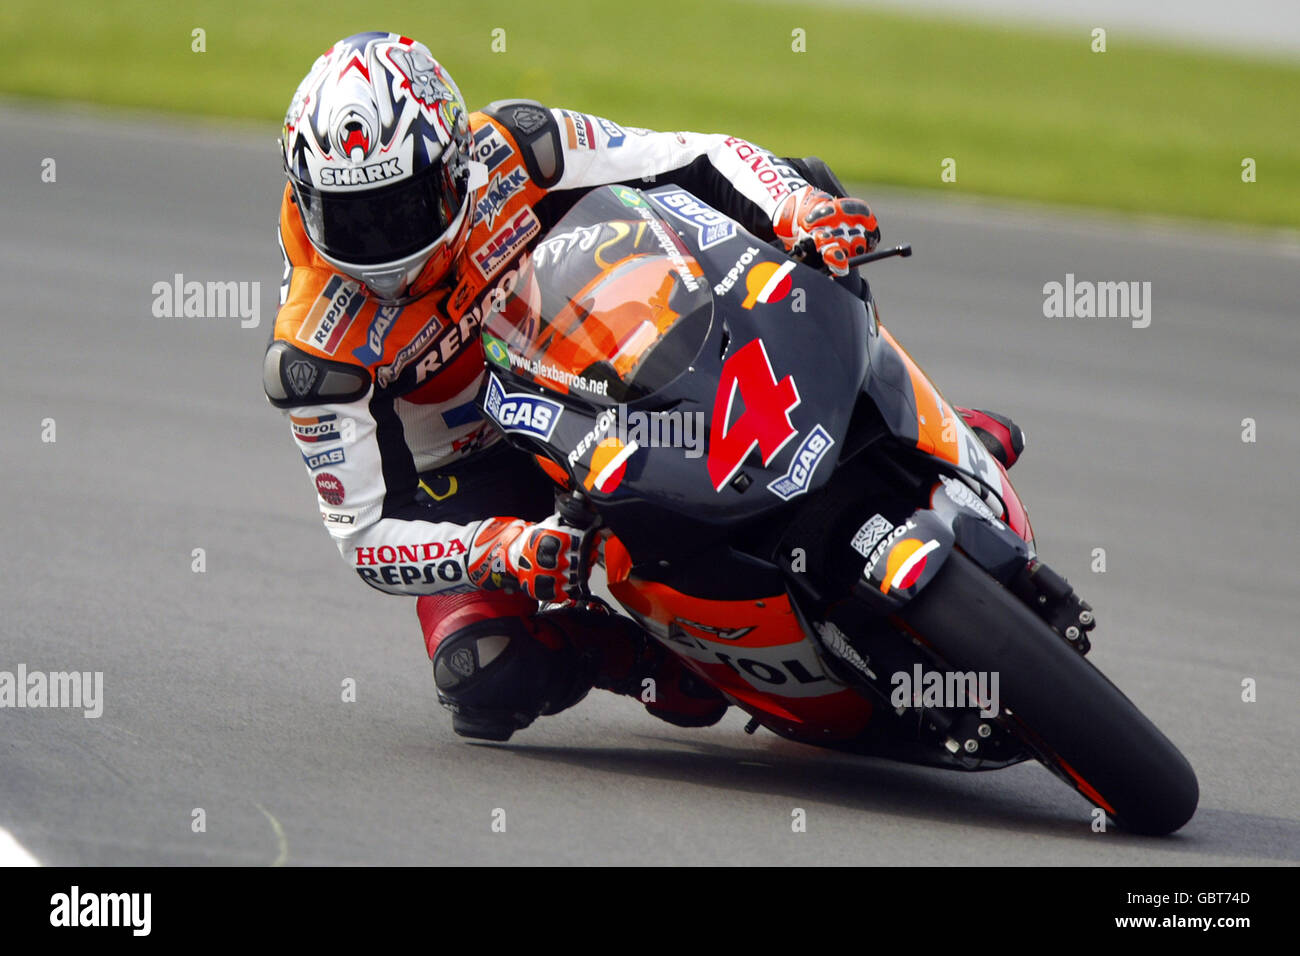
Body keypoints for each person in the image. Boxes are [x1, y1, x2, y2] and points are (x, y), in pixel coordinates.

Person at [264, 31, 1024, 741]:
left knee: (806, 187)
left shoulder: (519, 144)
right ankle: (648, 658)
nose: (381, 248)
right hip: (474, 483)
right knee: (485, 670)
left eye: (398, 210)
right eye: (350, 218)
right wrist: (502, 549)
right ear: (305, 197)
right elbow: (363, 533)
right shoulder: (313, 351)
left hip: (598, 353)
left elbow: (694, 158)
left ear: (453, 164)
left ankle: (902, 416)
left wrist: (800, 210)